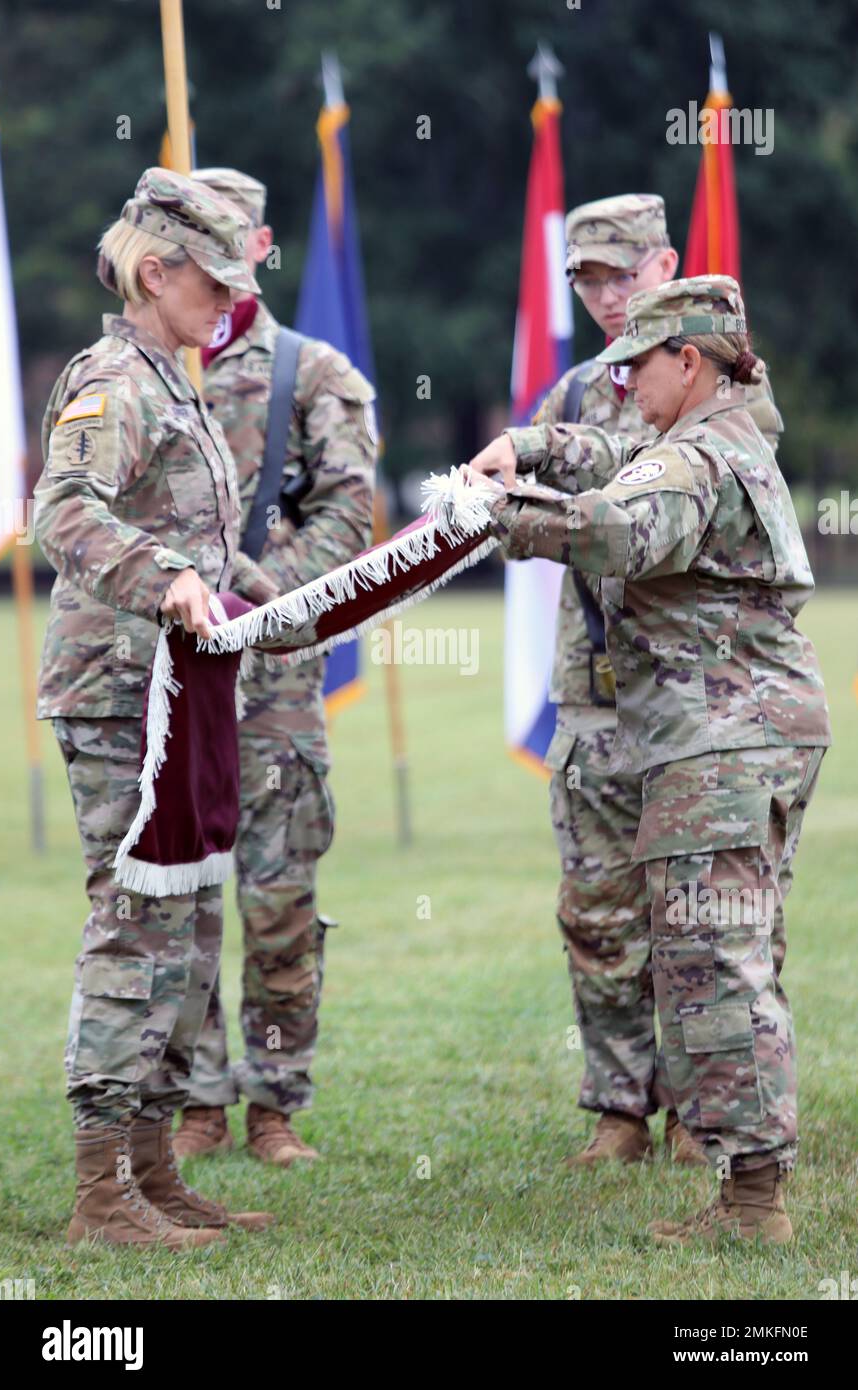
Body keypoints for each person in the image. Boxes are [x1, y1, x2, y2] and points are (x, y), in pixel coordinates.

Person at [469, 275, 831, 1243]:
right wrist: (533, 451)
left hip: (716, 741)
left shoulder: (698, 453)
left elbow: (621, 529)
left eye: (637, 362)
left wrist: (498, 517)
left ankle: (752, 1200)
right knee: (718, 952)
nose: (621, 379)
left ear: (688, 359)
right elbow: (609, 457)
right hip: (739, 730)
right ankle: (743, 1180)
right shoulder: (713, 437)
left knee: (711, 960)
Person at [34, 167, 280, 1247]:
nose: (230, 299)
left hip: (171, 693)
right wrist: (161, 577)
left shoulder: (170, 376)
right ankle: (100, 1194)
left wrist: (248, 587)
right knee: (132, 927)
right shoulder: (114, 379)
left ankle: (149, 1174)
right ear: (153, 269)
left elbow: (193, 537)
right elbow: (60, 509)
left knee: (175, 929)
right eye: (213, 279)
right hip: (114, 694)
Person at [528, 194, 784, 1167]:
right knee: (596, 910)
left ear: (664, 262)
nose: (603, 295)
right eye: (586, 279)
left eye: (620, 273)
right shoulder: (567, 396)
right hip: (595, 689)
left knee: (708, 908)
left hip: (696, 694)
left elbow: (665, 475)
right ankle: (618, 1109)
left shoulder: (722, 379)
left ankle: (705, 1110)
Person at [171, 167, 377, 1165]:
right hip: (170, 678)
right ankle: (198, 1098)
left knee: (278, 897)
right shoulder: (143, 368)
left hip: (275, 684)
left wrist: (261, 597)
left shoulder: (310, 370)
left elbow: (348, 506)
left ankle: (274, 1103)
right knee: (180, 892)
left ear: (259, 246)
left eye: (232, 234)